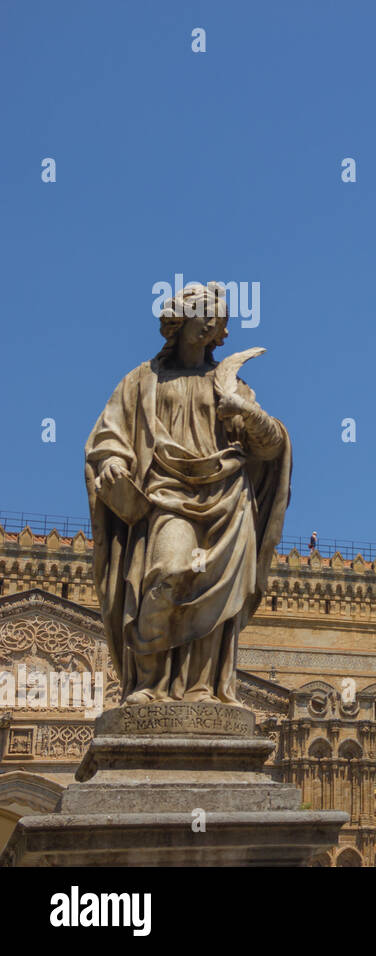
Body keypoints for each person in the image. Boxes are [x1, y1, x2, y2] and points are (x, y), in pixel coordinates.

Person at [84, 283, 290, 705]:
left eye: (220, 319)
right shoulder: (142, 380)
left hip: (227, 500)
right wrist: (112, 462)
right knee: (168, 572)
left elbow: (270, 447)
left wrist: (247, 412)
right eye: (207, 314)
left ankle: (201, 688)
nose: (215, 324)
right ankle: (149, 684)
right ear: (179, 321)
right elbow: (109, 435)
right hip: (166, 498)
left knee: (215, 597)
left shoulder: (230, 384)